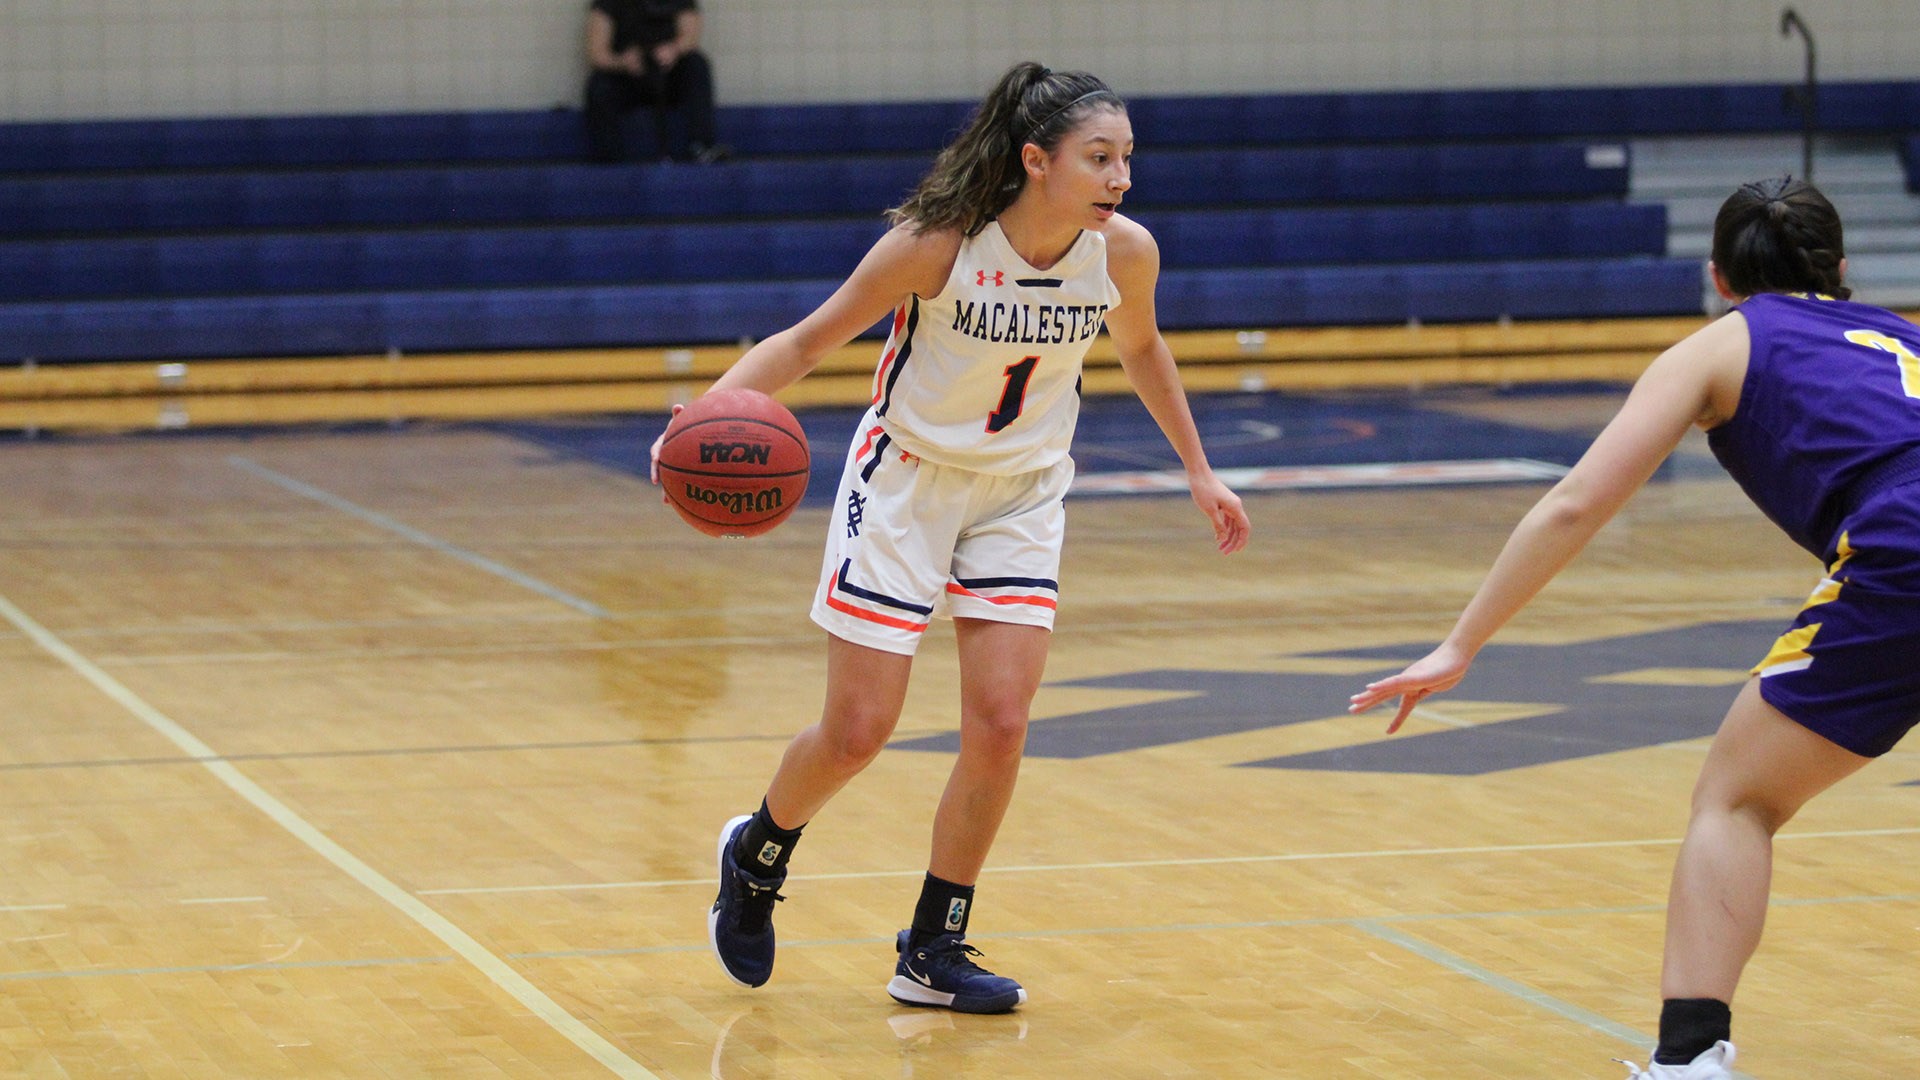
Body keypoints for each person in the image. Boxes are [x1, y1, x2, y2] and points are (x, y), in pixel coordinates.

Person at [650, 61, 1250, 1012]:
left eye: (1127, 158)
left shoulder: (1124, 255)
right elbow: (809, 340)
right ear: (1035, 160)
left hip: (1021, 493)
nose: (1121, 177)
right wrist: (709, 412)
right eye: (1100, 158)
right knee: (858, 733)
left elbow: (1142, 347)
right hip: (906, 486)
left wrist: (1200, 468)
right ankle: (756, 853)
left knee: (1002, 725)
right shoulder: (935, 246)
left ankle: (934, 943)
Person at [1349, 177, 1920, 1080]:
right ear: (1841, 270)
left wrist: (1462, 641)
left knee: (1738, 800)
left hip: (1904, 545)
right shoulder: (1908, 335)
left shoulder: (1717, 346)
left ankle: (1690, 1060)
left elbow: (1577, 504)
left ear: (1719, 277)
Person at [583, 0, 728, 163]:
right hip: (627, 77)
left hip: (669, 75)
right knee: (598, 85)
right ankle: (610, 160)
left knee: (696, 64)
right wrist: (622, 62)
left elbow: (691, 34)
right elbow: (597, 53)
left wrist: (674, 50)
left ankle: (701, 146)